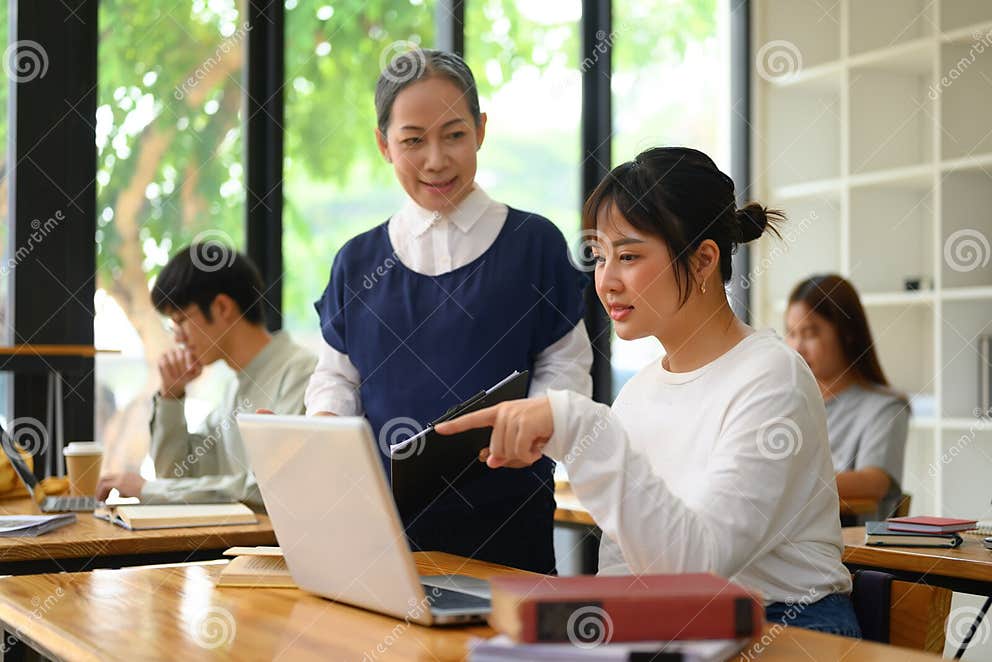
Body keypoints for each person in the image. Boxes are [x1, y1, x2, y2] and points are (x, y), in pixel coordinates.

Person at [436, 147, 861, 637]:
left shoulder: (773, 377)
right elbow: (625, 569)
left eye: (629, 256)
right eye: (600, 258)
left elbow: (698, 567)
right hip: (678, 624)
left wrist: (578, 425)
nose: (606, 281)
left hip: (788, 629)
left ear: (703, 260)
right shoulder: (640, 392)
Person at [305, 49, 592, 573]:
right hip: (381, 540)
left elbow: (566, 367)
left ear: (480, 130)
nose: (435, 160)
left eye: (454, 135)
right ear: (384, 145)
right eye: (413, 140)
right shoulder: (357, 262)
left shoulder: (534, 245)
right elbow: (336, 378)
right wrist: (324, 428)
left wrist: (537, 422)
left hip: (509, 533)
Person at [96, 244, 317, 509]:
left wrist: (150, 489)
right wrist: (171, 397)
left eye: (181, 320)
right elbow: (177, 475)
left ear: (223, 307)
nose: (178, 338)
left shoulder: (301, 374)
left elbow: (267, 488)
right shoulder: (234, 388)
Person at [785, 274, 909, 519]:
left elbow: (875, 483)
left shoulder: (885, 408)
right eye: (791, 333)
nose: (797, 347)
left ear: (847, 333)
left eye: (809, 334)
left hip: (848, 538)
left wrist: (787, 482)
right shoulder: (788, 402)